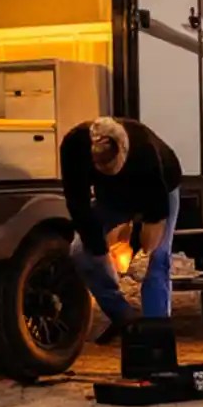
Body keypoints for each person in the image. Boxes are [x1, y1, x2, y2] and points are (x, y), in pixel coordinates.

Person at [59, 116, 183, 344]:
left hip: (160, 190)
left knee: (158, 260)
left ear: (124, 149)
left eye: (112, 166)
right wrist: (100, 252)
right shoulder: (74, 146)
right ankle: (123, 316)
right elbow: (78, 205)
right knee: (80, 253)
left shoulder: (144, 150)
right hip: (111, 196)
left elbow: (153, 223)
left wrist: (136, 249)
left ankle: (156, 337)